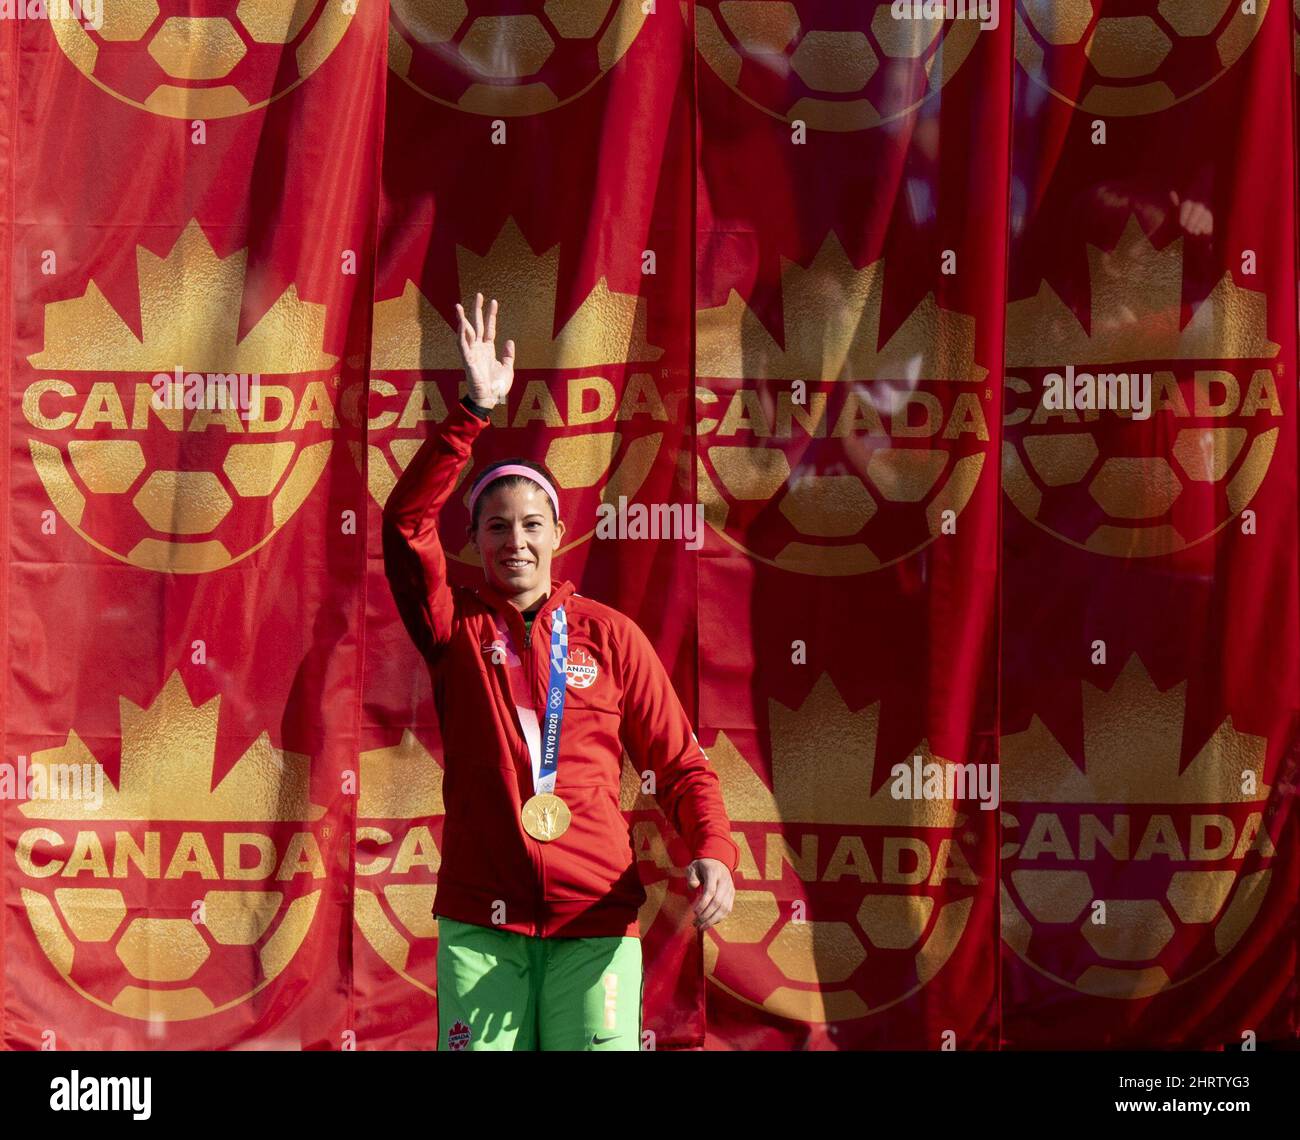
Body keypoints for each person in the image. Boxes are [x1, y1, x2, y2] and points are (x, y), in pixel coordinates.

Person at [381, 292, 738, 1051]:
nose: (516, 541)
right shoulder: (456, 628)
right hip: (483, 925)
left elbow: (679, 764)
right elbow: (407, 524)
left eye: (532, 525)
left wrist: (712, 849)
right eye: (497, 527)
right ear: (473, 538)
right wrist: (473, 410)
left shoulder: (610, 637)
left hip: (596, 925)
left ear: (558, 536)